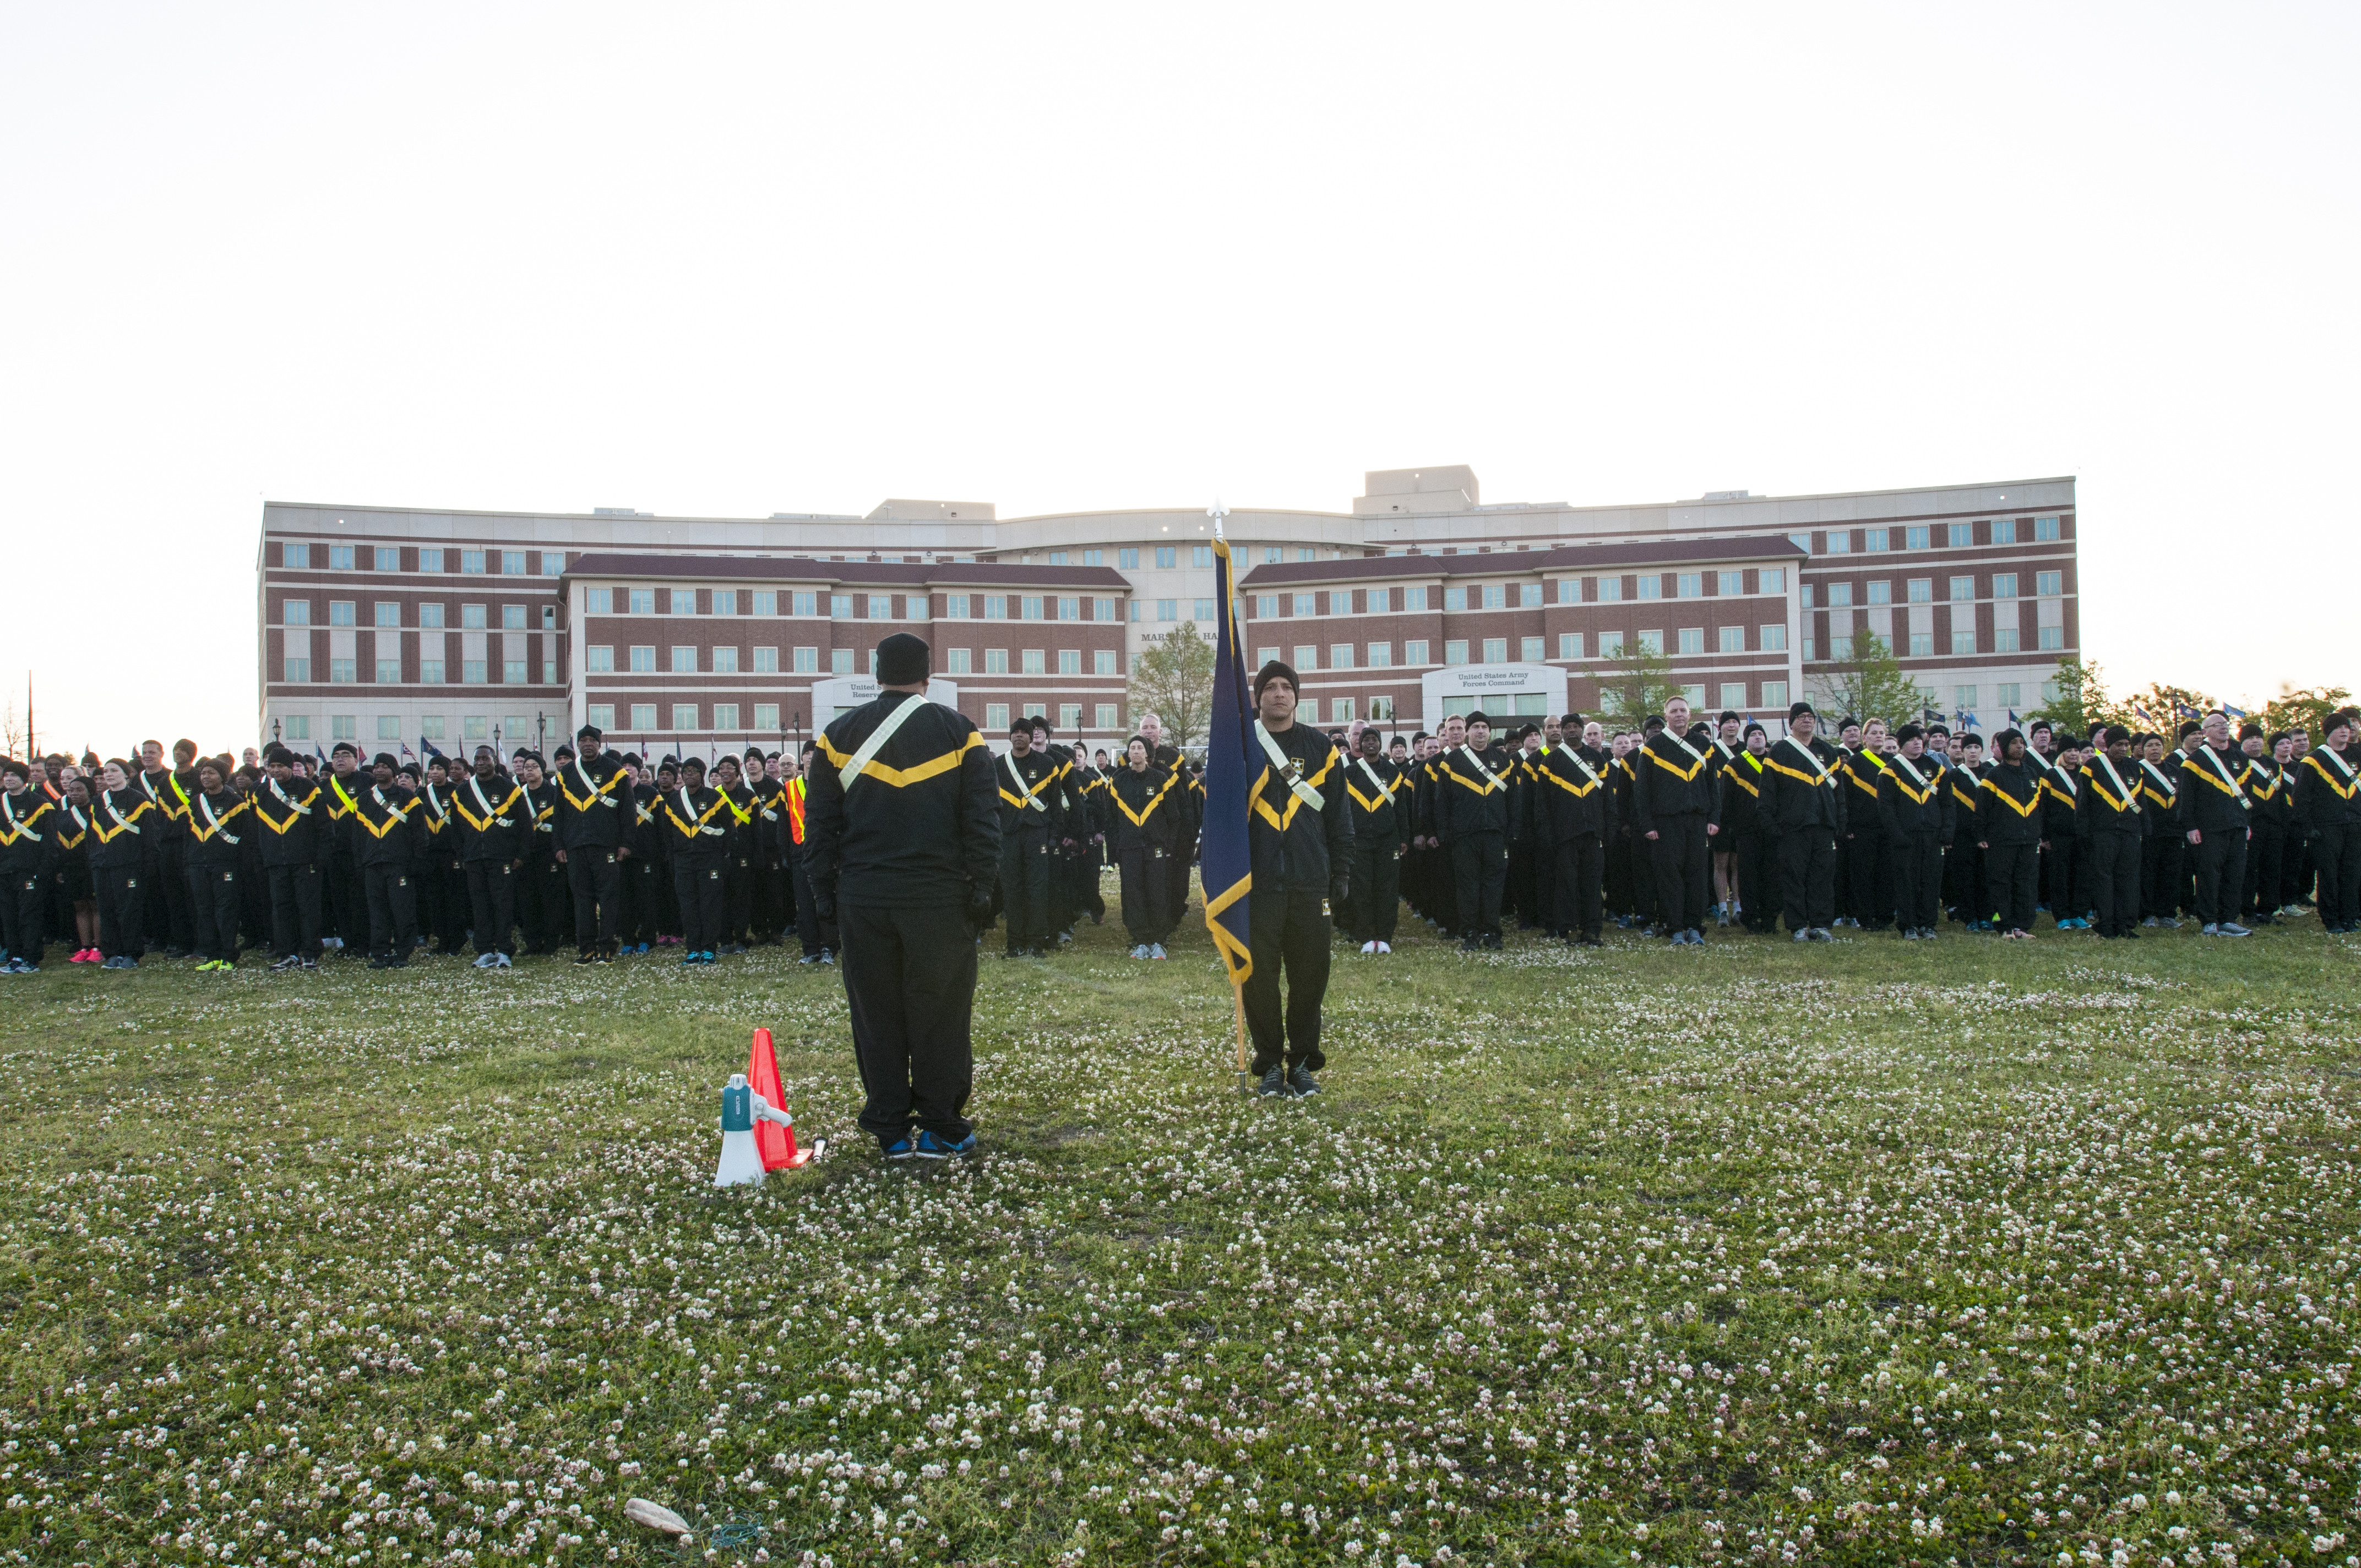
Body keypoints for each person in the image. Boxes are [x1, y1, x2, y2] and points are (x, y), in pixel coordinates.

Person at [805, 633, 1000, 1159]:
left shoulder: (834, 737)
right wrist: (984, 887)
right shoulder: (961, 733)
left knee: (876, 1013)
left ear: (876, 674)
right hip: (938, 899)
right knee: (941, 1013)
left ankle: (890, 1128)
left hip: (863, 897)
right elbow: (982, 820)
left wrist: (823, 892)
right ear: (927, 677)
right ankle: (940, 1126)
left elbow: (819, 826)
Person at [1241, 661, 1351, 1096]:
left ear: (1297, 696)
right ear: (1259, 697)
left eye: (1287, 687)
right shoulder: (1243, 746)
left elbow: (1340, 816)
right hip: (1258, 885)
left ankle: (1303, 1062)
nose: (1279, 694)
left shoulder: (1321, 748)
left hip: (1311, 883)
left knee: (1310, 978)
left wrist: (1340, 871)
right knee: (1260, 979)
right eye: (1270, 687)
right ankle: (1269, 1062)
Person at [1631, 697, 1721, 945]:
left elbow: (1713, 785)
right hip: (1666, 822)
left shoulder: (1704, 744)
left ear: (1690, 714)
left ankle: (1694, 926)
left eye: (1683, 710)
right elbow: (1642, 789)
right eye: (1674, 711)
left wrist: (1714, 817)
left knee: (1697, 875)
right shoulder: (1654, 746)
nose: (1679, 715)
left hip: (1697, 820)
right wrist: (1648, 824)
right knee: (1670, 876)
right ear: (1666, 715)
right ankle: (1675, 928)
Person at [1761, 704, 1844, 940]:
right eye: (1801, 717)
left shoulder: (1827, 751)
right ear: (1792, 722)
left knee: (1823, 878)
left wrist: (1840, 821)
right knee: (1793, 879)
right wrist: (1771, 825)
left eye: (1810, 717)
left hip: (1823, 824)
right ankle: (1798, 926)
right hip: (1792, 827)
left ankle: (1820, 925)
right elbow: (1768, 791)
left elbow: (1839, 791)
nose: (1807, 721)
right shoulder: (1779, 751)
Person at [553, 724, 634, 963]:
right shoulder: (566, 774)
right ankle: (586, 948)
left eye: (592, 740)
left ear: (600, 744)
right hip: (576, 845)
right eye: (583, 740)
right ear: (577, 745)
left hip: (606, 845)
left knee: (608, 898)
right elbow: (560, 813)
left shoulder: (615, 771)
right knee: (582, 899)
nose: (588, 744)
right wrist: (558, 845)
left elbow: (627, 811)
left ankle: (607, 947)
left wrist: (626, 843)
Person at [1535, 711, 1613, 946]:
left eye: (1575, 727)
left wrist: (1608, 829)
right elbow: (1543, 804)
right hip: (1564, 835)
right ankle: (1565, 928)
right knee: (1565, 884)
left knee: (1592, 884)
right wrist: (1547, 834)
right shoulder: (1551, 761)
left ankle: (1591, 929)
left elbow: (1608, 799)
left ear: (1582, 730)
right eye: (1566, 727)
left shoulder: (1598, 760)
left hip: (1592, 834)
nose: (1570, 731)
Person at [993, 717, 1065, 958]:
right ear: (1010, 736)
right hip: (1008, 836)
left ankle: (1036, 942)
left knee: (1038, 889)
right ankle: (1015, 944)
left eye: (1025, 732)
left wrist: (1055, 835)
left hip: (1038, 835)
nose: (1020, 736)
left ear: (1030, 736)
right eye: (1016, 732)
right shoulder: (998, 766)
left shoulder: (1047, 764)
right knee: (1012, 890)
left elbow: (1056, 803)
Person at [250, 745, 325, 970]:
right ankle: (287, 954)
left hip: (305, 860)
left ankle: (311, 952)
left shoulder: (308, 788)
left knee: (308, 907)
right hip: (275, 861)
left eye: (280, 766)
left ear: (291, 766)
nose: (275, 771)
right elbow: (253, 830)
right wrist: (258, 858)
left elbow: (323, 825)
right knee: (281, 909)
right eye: (271, 766)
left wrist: (320, 857)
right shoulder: (260, 792)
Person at [451, 746, 525, 967]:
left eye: (485, 758)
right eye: (477, 759)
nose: (481, 762)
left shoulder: (509, 789)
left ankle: (504, 950)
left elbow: (524, 825)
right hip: (474, 859)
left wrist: (521, 854)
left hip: (502, 858)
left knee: (503, 905)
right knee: (480, 906)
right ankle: (484, 950)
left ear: (494, 760)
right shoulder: (462, 792)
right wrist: (462, 855)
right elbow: (456, 829)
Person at [2183, 710, 2254, 937]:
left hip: (2237, 825)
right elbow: (2186, 797)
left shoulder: (2241, 758)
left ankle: (2229, 919)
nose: (2223, 727)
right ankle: (2209, 920)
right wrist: (2190, 826)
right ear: (2206, 732)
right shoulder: (2196, 760)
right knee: (2209, 874)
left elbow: (2249, 795)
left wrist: (2247, 823)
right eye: (2217, 725)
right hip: (2209, 828)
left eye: (2225, 723)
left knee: (2235, 874)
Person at [1875, 723, 1950, 939]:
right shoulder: (1890, 771)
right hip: (1905, 836)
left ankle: (1928, 924)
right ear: (1901, 745)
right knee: (1906, 881)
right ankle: (1908, 924)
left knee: (1931, 881)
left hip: (1932, 834)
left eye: (1918, 739)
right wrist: (1896, 833)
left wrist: (1946, 830)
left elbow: (1947, 802)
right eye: (1910, 740)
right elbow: (1885, 806)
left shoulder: (1935, 768)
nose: (1916, 743)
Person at [1108, 736, 1180, 958]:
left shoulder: (1161, 779)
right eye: (1133, 748)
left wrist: (1168, 845)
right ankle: (1139, 940)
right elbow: (1110, 820)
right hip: (1129, 848)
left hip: (1155, 848)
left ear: (1147, 754)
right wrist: (1113, 852)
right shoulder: (1118, 780)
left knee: (1157, 891)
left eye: (1141, 748)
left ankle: (1158, 940)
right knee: (1133, 893)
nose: (1137, 751)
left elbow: (1174, 817)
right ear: (1128, 754)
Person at [2293, 709, 2361, 933]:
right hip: (2326, 827)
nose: (2345, 730)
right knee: (2329, 875)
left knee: (2352, 874)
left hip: (2354, 824)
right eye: (2339, 727)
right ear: (2328, 732)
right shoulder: (2314, 760)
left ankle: (2350, 918)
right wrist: (2308, 828)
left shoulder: (2358, 754)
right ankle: (2331, 920)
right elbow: (2301, 797)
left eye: (2346, 727)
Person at [659, 755, 732, 964]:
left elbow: (728, 829)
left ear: (702, 775)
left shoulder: (715, 798)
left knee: (710, 905)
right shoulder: (673, 800)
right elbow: (667, 833)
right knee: (688, 906)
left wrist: (720, 854)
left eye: (695, 771)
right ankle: (693, 949)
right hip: (683, 861)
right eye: (687, 771)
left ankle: (709, 949)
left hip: (710, 860)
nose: (690, 775)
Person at [351, 753, 420, 968]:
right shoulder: (363, 800)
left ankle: (402, 953)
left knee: (402, 910)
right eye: (377, 767)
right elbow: (357, 835)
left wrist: (416, 861)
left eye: (385, 767)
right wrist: (360, 862)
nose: (380, 770)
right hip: (372, 864)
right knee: (377, 911)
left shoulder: (408, 798)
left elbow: (418, 832)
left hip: (399, 864)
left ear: (394, 771)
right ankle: (380, 953)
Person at [1977, 729, 2046, 940]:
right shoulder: (1993, 776)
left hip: (2029, 840)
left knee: (2026, 883)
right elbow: (1982, 810)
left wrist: (2039, 834)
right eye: (2014, 743)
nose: (2019, 747)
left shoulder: (2032, 774)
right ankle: (2004, 925)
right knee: (2001, 883)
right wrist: (1981, 836)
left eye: (2021, 742)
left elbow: (2040, 808)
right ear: (2004, 747)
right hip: (2002, 840)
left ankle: (2021, 926)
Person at [1341, 726, 1404, 954]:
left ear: (1380, 744)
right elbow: (1342, 811)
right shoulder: (1350, 773)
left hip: (1388, 840)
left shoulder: (1393, 772)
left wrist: (1404, 838)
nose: (1370, 743)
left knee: (1387, 889)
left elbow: (1402, 808)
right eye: (1365, 739)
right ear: (1358, 744)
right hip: (1359, 841)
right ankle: (1367, 935)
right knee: (1362, 888)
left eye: (1374, 740)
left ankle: (1385, 936)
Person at [2080, 725, 2146, 939]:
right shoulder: (2092, 767)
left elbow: (2141, 800)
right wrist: (2084, 833)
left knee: (2128, 878)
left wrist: (2145, 828)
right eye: (2119, 745)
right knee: (2104, 878)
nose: (2124, 749)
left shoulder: (2135, 767)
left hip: (2129, 831)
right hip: (2103, 832)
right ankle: (2106, 923)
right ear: (2108, 745)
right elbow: (2083, 804)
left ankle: (2126, 923)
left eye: (2127, 745)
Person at [88, 759, 156, 969]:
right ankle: (113, 953)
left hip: (128, 865)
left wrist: (146, 866)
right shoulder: (98, 802)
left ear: (126, 775)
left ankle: (131, 954)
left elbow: (149, 837)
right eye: (106, 771)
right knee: (106, 910)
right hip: (103, 865)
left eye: (114, 771)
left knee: (129, 911)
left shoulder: (139, 800)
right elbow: (91, 836)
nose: (108, 774)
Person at [0, 760, 56, 972]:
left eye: (14, 775)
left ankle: (31, 958)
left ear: (24, 779)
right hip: (4, 870)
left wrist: (43, 870)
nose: (9, 779)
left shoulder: (41, 804)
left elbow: (50, 841)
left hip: (29, 870)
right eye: (6, 775)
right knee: (9, 916)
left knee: (29, 915)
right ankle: (14, 956)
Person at [2136, 733, 2184, 928]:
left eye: (2158, 745)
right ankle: (2147, 914)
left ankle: (2167, 914)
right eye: (2150, 745)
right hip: (2150, 831)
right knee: (2148, 873)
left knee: (2171, 873)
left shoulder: (2174, 770)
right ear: (2143, 749)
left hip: (2173, 831)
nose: (2155, 749)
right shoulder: (2138, 770)